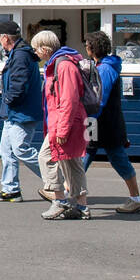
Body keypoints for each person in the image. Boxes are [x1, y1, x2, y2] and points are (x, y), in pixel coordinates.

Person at [81, 30, 140, 214]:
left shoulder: (105, 69)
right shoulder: (102, 65)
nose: (86, 47)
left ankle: (135, 198)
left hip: (105, 122)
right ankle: (70, 192)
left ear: (93, 48)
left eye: (87, 44)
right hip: (98, 120)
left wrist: (88, 116)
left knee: (117, 158)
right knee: (85, 154)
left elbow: (99, 98)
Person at [31, 29, 90, 220]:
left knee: (45, 157)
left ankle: (59, 201)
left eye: (36, 49)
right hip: (65, 122)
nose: (36, 53)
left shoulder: (63, 66)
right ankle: (82, 208)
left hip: (65, 124)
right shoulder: (61, 63)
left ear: (45, 49)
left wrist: (62, 129)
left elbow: (69, 100)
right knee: (71, 162)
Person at [0, 20, 43, 202]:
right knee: (6, 151)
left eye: (0, 37)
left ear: (5, 38)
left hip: (20, 112)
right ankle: (11, 189)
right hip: (13, 112)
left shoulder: (19, 56)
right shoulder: (19, 53)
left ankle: (58, 181)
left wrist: (7, 99)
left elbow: (19, 85)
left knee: (21, 150)